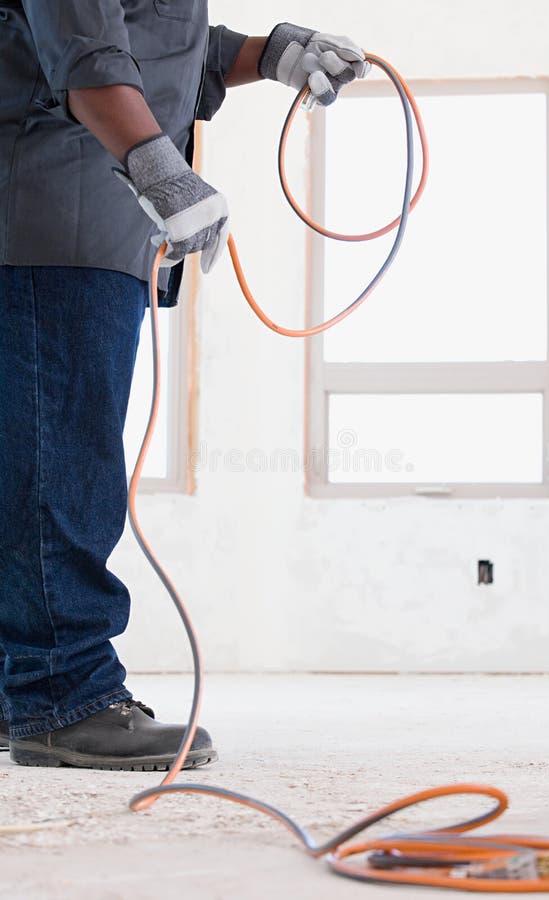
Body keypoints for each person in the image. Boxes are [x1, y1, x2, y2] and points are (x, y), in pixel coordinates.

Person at [0, 2, 370, 770]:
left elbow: (155, 51)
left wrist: (268, 53)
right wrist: (157, 165)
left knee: (37, 465)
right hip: (51, 217)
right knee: (57, 471)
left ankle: (22, 691)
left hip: (84, 224)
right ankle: (61, 695)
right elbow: (87, 54)